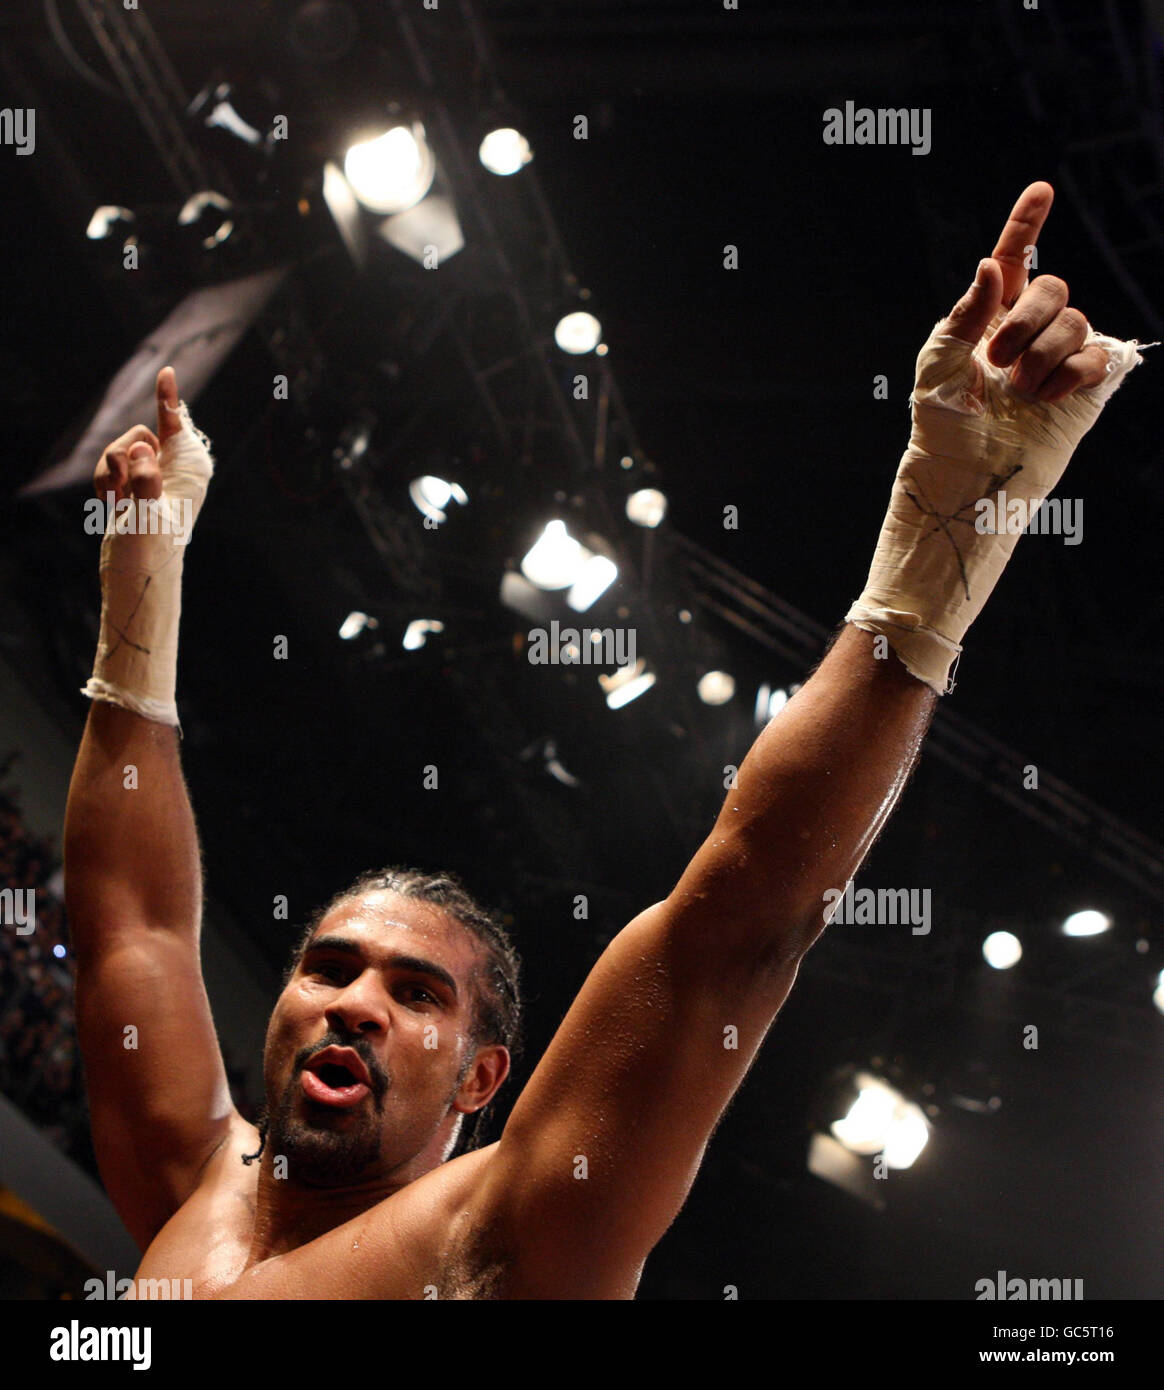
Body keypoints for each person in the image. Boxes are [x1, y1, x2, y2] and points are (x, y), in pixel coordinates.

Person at [62, 182, 1146, 1299]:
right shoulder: (192, 1180)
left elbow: (734, 930)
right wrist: (141, 577)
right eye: (329, 967)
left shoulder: (493, 1240)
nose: (354, 1001)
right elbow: (131, 923)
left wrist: (940, 551)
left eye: (417, 991)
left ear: (481, 1079)